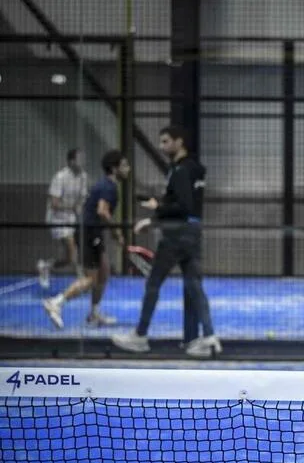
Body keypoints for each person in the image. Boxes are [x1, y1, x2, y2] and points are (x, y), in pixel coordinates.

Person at [112, 125, 219, 357]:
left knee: (153, 282)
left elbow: (181, 206)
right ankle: (208, 338)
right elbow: (188, 205)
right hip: (194, 232)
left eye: (165, 141)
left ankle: (140, 336)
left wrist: (155, 211)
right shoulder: (195, 169)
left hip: (176, 234)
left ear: (179, 142)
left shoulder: (180, 171)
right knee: (194, 285)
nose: (162, 147)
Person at [41, 150, 127, 329]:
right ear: (114, 168)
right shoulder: (108, 186)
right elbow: (102, 211)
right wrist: (117, 233)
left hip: (92, 232)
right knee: (90, 279)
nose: (128, 169)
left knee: (104, 272)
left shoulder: (107, 184)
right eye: (124, 165)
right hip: (89, 233)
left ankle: (94, 314)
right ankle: (56, 303)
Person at [37, 148, 89, 289]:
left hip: (71, 218)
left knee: (69, 257)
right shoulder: (60, 177)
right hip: (56, 219)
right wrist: (73, 207)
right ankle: (81, 279)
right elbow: (54, 204)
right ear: (71, 161)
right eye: (79, 158)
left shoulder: (83, 176)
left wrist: (80, 206)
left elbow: (83, 197)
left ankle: (45, 266)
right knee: (73, 250)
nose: (83, 161)